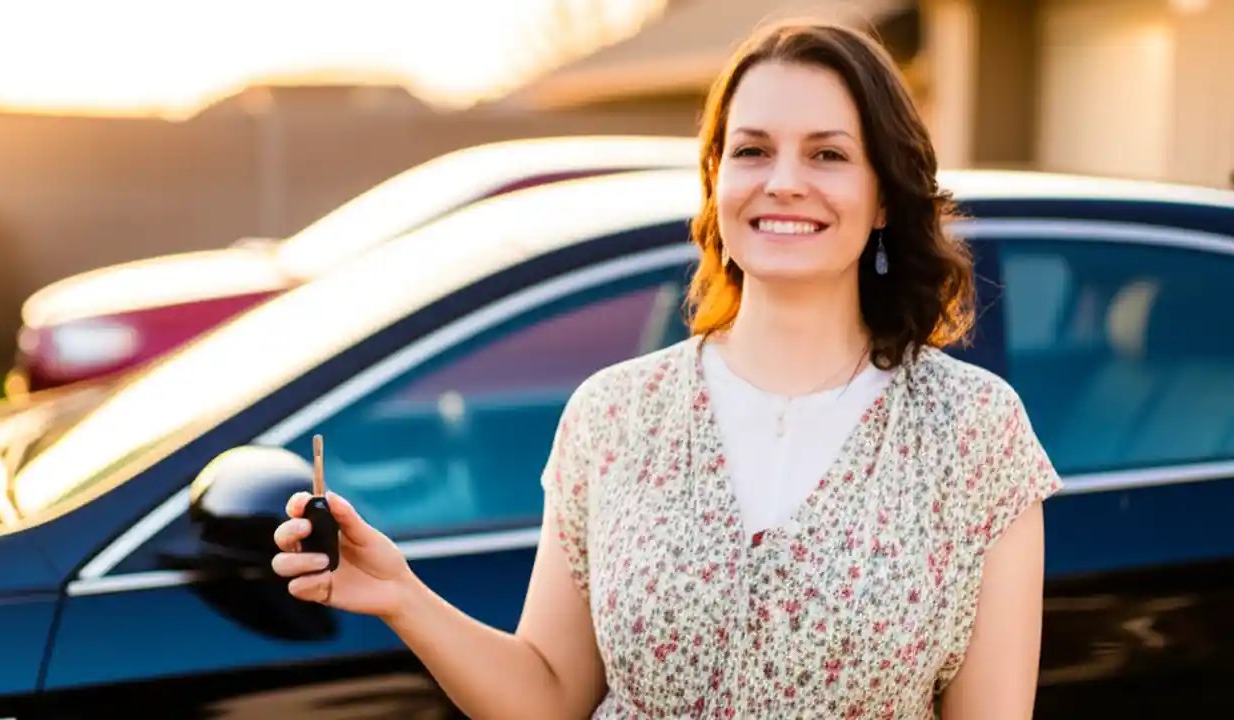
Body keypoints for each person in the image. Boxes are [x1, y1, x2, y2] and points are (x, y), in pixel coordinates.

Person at [271, 17, 1062, 720]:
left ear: (884, 194)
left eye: (827, 153)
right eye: (753, 150)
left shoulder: (976, 433)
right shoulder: (612, 415)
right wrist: (401, 597)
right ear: (717, 178)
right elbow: (547, 696)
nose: (784, 179)